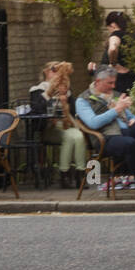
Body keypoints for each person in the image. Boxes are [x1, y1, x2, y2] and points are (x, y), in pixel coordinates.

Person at [74, 65, 135, 197]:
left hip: (124, 131)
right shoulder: (83, 100)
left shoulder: (115, 95)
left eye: (114, 82)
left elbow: (129, 115)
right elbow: (93, 123)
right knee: (131, 143)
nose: (113, 86)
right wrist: (116, 110)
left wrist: (132, 119)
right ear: (98, 81)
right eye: (109, 83)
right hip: (105, 138)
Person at [28, 61, 88, 189]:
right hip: (49, 128)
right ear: (46, 72)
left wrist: (66, 101)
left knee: (78, 136)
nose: (57, 73)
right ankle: (64, 175)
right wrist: (49, 93)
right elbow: (37, 108)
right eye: (54, 69)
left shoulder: (65, 89)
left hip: (65, 125)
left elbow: (74, 112)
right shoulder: (38, 89)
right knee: (68, 137)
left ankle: (80, 175)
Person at [88, 11, 135, 94]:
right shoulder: (132, 37)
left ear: (113, 25)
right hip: (133, 79)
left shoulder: (116, 34)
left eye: (108, 27)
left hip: (118, 82)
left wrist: (113, 64)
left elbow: (113, 49)